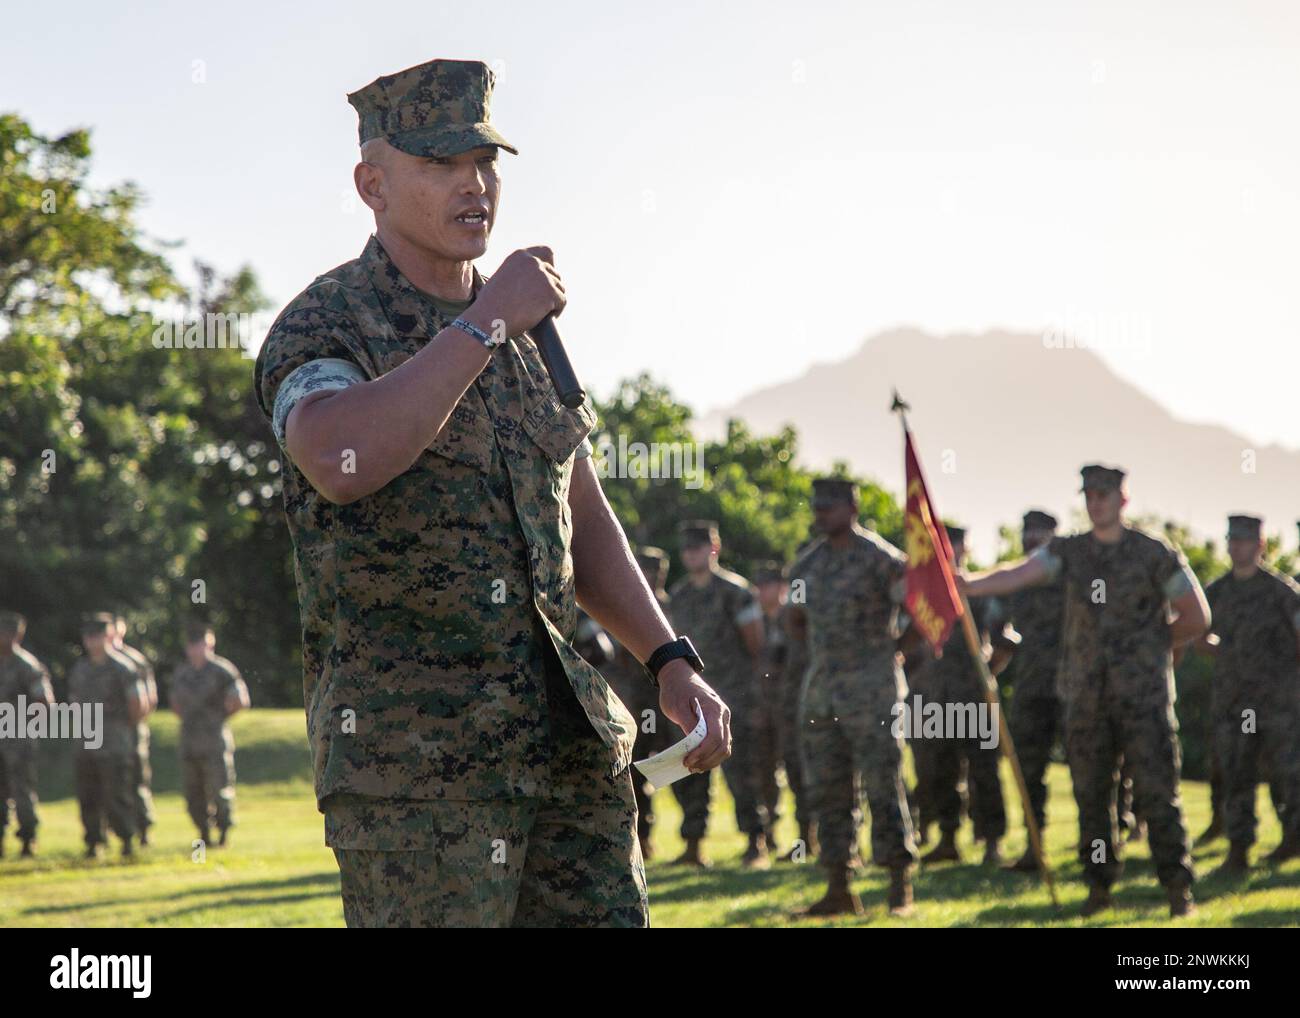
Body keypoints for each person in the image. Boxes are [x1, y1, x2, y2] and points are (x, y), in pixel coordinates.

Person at [254, 57, 729, 927]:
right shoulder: (330, 321)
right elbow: (337, 455)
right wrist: (483, 325)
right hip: (417, 776)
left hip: (566, 750)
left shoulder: (525, 334)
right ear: (373, 183)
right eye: (440, 164)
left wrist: (669, 659)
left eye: (485, 163)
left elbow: (579, 514)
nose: (473, 185)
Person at [962, 465, 1209, 917]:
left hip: (1145, 701)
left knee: (1159, 794)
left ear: (1123, 499)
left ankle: (1178, 890)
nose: (1097, 503)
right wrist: (968, 584)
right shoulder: (1070, 552)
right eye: (1090, 495)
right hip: (1086, 701)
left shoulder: (1153, 553)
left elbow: (1196, 617)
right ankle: (1098, 889)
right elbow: (1019, 573)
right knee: (1092, 796)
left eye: (1105, 495)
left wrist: (1153, 643)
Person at [788, 478, 918, 916]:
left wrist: (898, 651)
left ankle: (899, 883)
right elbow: (795, 620)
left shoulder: (882, 560)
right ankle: (839, 885)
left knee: (884, 785)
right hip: (823, 695)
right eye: (817, 507)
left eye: (829, 507)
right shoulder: (806, 566)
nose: (820, 514)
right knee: (828, 790)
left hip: (873, 693)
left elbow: (920, 610)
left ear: (852, 508)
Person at [905, 525, 1016, 867]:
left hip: (973, 697)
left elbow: (1006, 642)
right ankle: (948, 837)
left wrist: (987, 675)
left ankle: (992, 842)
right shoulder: (922, 596)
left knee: (984, 771)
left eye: (956, 548)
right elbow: (905, 643)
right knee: (938, 771)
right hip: (931, 698)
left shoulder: (980, 594)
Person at [1197, 515, 1300, 873]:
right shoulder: (1218, 591)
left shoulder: (1281, 591)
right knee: (1236, 774)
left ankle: (1292, 840)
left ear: (1260, 546)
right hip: (1234, 703)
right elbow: (1197, 627)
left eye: (1245, 541)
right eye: (1232, 540)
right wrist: (1223, 652)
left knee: (1289, 774)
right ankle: (1238, 851)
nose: (1237, 547)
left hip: (1278, 704)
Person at [669, 521, 769, 868]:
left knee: (742, 773)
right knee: (691, 772)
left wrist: (756, 698)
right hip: (693, 702)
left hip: (735, 696)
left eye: (699, 546)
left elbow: (756, 647)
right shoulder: (678, 596)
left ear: (715, 548)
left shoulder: (737, 592)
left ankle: (756, 842)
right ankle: (694, 846)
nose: (692, 553)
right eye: (687, 548)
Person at [996, 510, 1065, 871]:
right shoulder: (1017, 579)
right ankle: (1033, 848)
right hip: (1031, 685)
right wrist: (1006, 640)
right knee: (1028, 768)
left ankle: (1103, 845)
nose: (1032, 538)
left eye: (1040, 532)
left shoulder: (1071, 576)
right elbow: (997, 622)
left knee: (1093, 767)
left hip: (1073, 685)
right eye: (1027, 532)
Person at [67, 613, 148, 859]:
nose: (92, 641)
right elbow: (73, 702)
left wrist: (122, 728)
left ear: (107, 636)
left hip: (115, 742)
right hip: (87, 742)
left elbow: (138, 703)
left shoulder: (123, 667)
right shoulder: (80, 669)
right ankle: (93, 841)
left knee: (117, 794)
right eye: (88, 636)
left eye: (96, 636)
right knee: (88, 794)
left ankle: (125, 839)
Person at [169, 621, 250, 846]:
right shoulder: (182, 672)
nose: (197, 650)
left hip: (214, 741)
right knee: (193, 793)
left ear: (210, 644)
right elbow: (175, 702)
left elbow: (241, 700)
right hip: (189, 741)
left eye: (202, 644)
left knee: (219, 790)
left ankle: (223, 832)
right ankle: (203, 832)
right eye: (193, 645)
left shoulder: (222, 670)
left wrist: (219, 718)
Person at [0, 612, 54, 858]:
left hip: (18, 741)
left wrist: (27, 728)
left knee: (22, 791)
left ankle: (27, 840)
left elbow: (44, 703)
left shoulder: (27, 665)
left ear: (17, 635)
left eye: (6, 633)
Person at [113, 615, 157, 847]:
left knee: (136, 782)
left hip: (131, 734)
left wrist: (129, 724)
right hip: (105, 738)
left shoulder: (134, 661)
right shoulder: (92, 662)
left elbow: (149, 700)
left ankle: (143, 830)